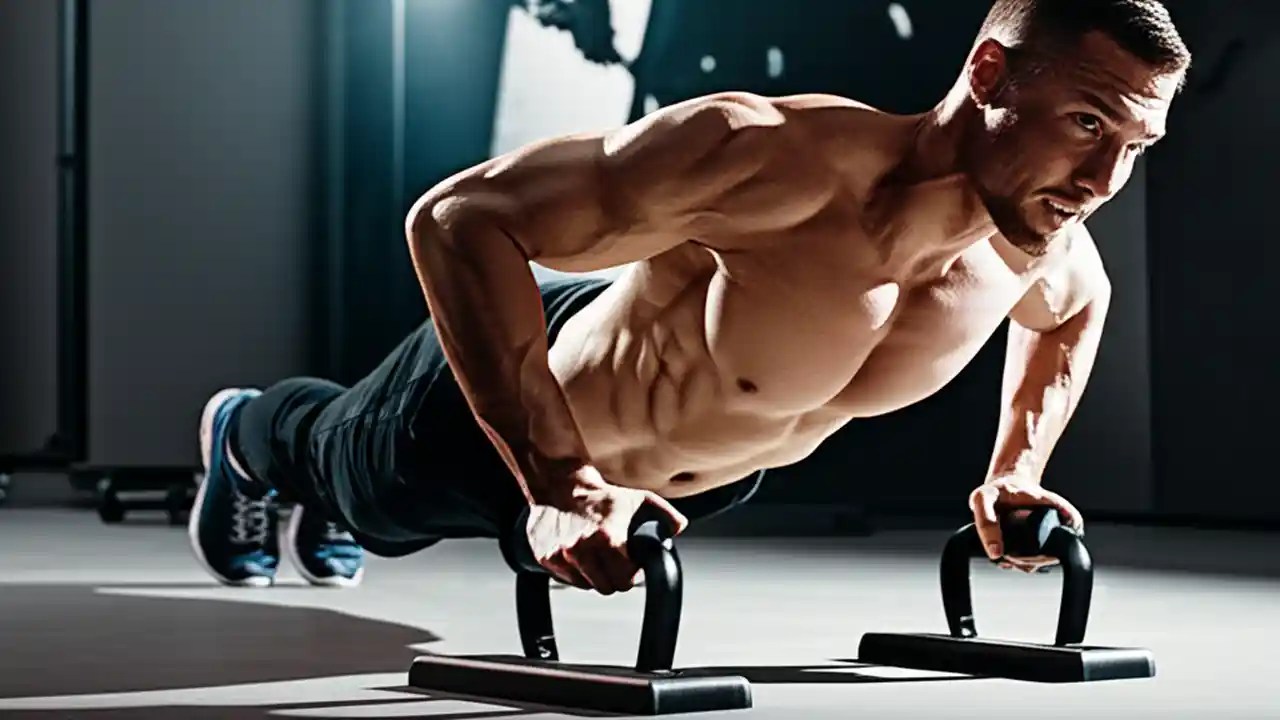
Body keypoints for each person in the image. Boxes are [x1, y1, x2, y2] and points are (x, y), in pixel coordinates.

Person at [189, 0, 1190, 592]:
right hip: (511, 426)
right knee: (355, 484)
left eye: (1134, 148)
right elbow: (457, 221)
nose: (1102, 181)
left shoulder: (1040, 243)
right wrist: (559, 484)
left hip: (678, 481)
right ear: (986, 73)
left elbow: (1070, 313)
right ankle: (251, 435)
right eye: (1086, 125)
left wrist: (1013, 471)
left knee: (365, 519)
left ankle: (336, 501)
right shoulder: (768, 159)